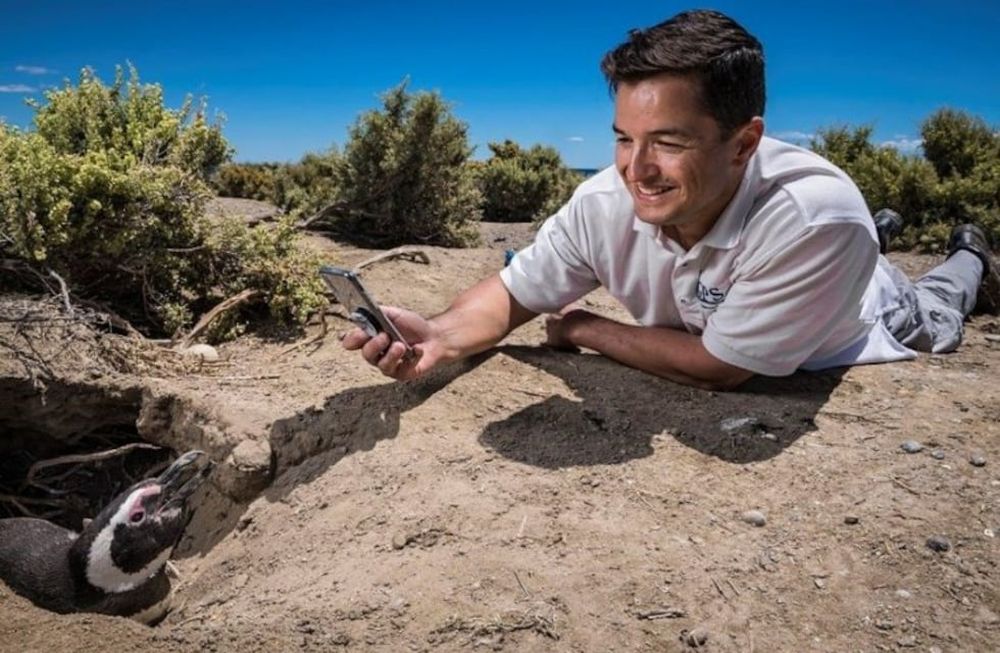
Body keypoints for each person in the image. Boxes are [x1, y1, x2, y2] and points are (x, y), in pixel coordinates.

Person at [343, 9, 999, 391]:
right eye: (624, 139)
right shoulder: (604, 200)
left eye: (668, 142)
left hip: (863, 314)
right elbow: (515, 291)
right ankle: (883, 234)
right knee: (846, 242)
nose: (638, 169)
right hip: (800, 264)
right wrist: (445, 335)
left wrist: (583, 327)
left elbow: (720, 365)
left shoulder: (813, 220)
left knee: (939, 308)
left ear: (743, 144)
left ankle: (971, 257)